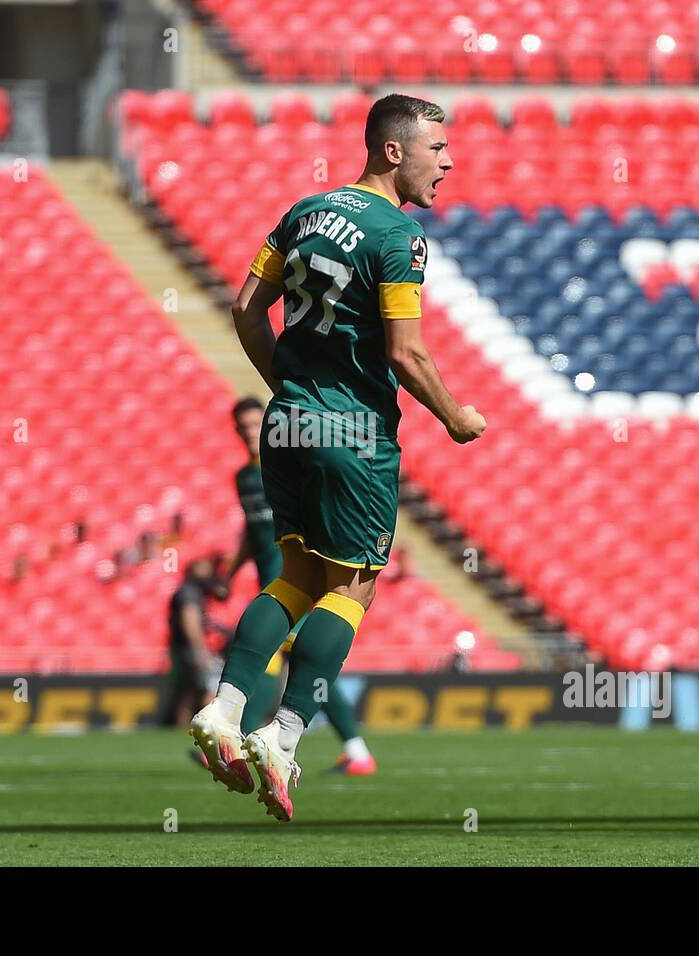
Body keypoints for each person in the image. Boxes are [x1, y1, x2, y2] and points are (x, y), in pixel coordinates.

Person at [190, 94, 487, 820]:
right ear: (395, 150)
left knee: (295, 575)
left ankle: (223, 712)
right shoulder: (399, 235)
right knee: (352, 587)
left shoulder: (302, 213)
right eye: (437, 149)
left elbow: (244, 307)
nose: (447, 163)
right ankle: (284, 737)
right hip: (353, 429)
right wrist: (454, 417)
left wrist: (288, 392)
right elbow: (405, 351)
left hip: (288, 419)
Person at [227, 396, 377, 775]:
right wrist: (230, 573)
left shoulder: (289, 467)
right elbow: (254, 531)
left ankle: (238, 736)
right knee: (299, 668)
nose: (248, 432)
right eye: (242, 426)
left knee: (286, 664)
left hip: (296, 587)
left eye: (253, 424)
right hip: (272, 592)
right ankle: (354, 751)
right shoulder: (245, 477)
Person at [164, 555, 227, 727]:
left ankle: (181, 728)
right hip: (189, 649)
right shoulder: (190, 592)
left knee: (187, 693)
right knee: (205, 691)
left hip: (182, 649)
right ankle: (207, 728)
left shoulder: (191, 591)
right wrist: (201, 650)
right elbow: (190, 622)